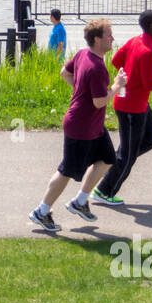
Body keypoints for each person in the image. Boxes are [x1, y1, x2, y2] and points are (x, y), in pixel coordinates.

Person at [30, 18, 126, 233]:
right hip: (80, 127)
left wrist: (80, 92)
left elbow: (64, 73)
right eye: (108, 35)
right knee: (66, 171)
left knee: (108, 159)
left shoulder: (83, 54)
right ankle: (41, 211)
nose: (112, 39)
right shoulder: (98, 69)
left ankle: (80, 201)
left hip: (93, 125)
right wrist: (117, 86)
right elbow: (99, 101)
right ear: (97, 39)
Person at [91, 9, 152, 207]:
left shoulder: (137, 41)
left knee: (151, 139)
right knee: (127, 156)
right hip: (131, 109)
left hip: (136, 103)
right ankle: (104, 191)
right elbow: (151, 84)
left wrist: (128, 78)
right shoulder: (149, 52)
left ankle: (123, 156)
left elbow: (117, 60)